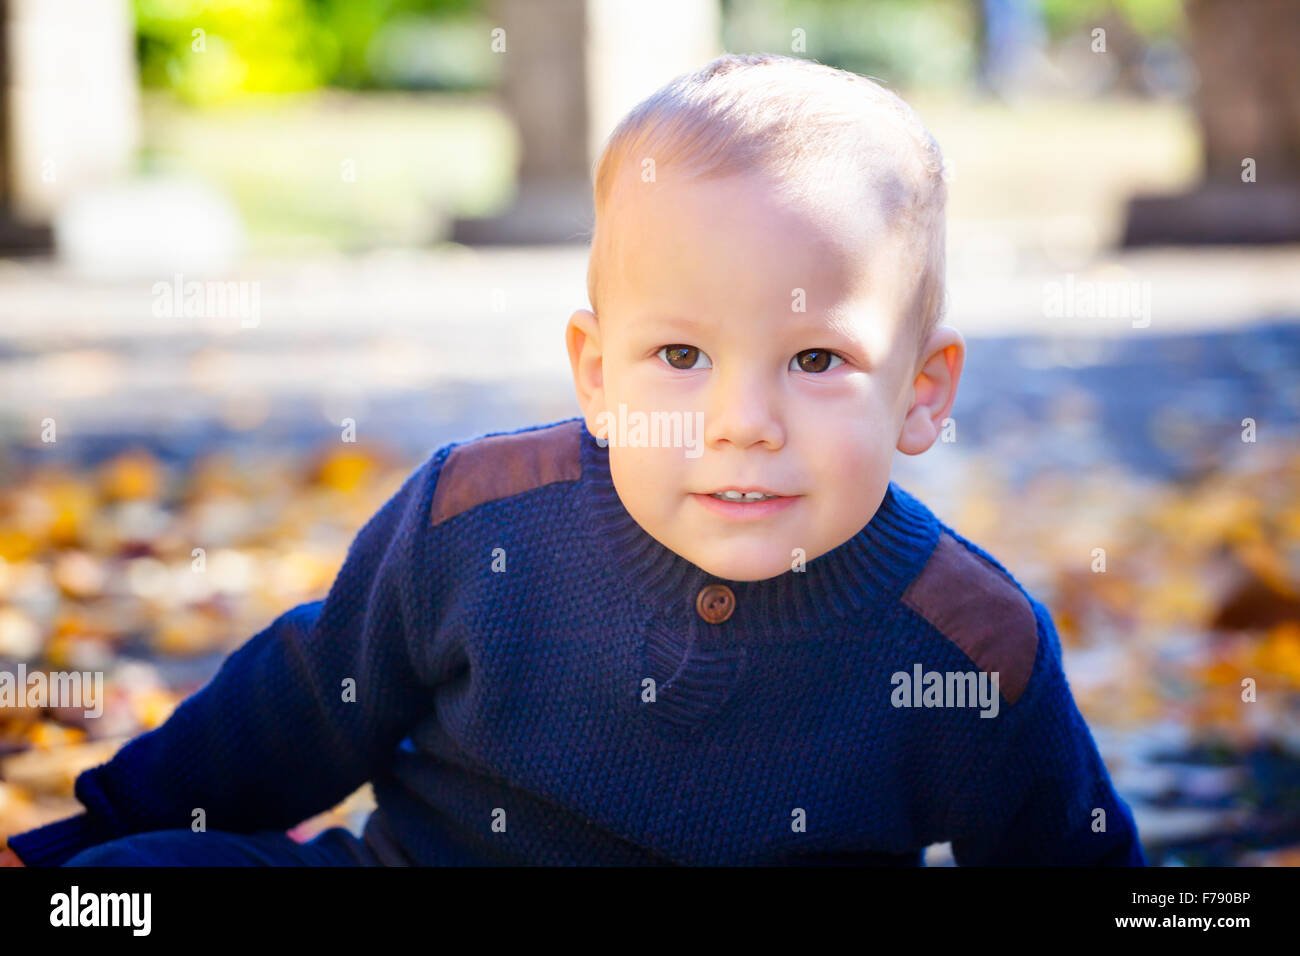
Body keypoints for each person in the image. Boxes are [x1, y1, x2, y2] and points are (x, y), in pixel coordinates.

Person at [1, 52, 1145, 867]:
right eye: (681, 353)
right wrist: (92, 832)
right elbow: (309, 701)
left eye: (814, 358)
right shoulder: (480, 518)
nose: (741, 420)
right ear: (596, 373)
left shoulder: (968, 644)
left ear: (921, 391)